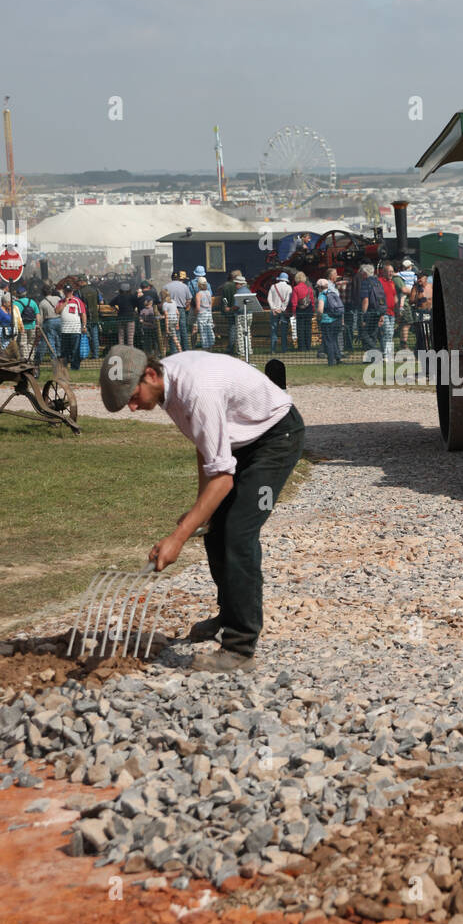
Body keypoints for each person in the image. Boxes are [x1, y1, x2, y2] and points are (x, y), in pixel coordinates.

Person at [99, 347, 306, 670]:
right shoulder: (168, 386)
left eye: (133, 395)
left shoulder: (196, 391)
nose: (133, 405)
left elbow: (222, 479)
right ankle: (230, 614)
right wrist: (201, 509)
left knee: (239, 531)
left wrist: (178, 537)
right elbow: (206, 447)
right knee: (214, 529)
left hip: (277, 440)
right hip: (242, 444)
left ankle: (240, 647)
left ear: (149, 374)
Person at [316, 277, 344, 365]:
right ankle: (338, 358)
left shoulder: (322, 295)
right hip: (337, 320)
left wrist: (319, 317)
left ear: (320, 287)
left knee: (329, 341)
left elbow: (320, 310)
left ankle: (331, 361)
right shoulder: (334, 293)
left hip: (327, 321)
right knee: (334, 339)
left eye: (317, 287)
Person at [57, 285, 86, 368]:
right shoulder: (61, 301)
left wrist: (84, 326)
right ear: (64, 292)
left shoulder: (77, 301)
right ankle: (63, 367)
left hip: (75, 330)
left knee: (75, 350)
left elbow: (83, 314)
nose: (68, 293)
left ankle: (75, 367)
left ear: (72, 292)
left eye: (69, 291)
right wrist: (65, 302)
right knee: (65, 350)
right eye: (66, 291)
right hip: (64, 330)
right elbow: (57, 311)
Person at [358, 262, 385, 351]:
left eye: (361, 273)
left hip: (369, 312)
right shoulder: (378, 282)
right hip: (379, 311)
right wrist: (382, 314)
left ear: (365, 273)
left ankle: (376, 351)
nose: (360, 275)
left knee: (364, 333)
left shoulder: (365, 282)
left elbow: (365, 300)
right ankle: (371, 358)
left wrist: (363, 315)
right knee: (373, 334)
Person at [168, 270, 193, 352]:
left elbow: (162, 301)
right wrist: (186, 306)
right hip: (181, 309)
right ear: (178, 278)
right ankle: (185, 350)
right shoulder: (185, 286)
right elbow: (189, 300)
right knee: (183, 330)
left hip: (170, 310)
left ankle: (174, 351)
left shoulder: (166, 287)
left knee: (173, 331)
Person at [290, 270, 315, 352]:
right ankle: (308, 347)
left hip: (299, 310)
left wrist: (294, 312)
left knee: (300, 329)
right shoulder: (309, 289)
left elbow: (294, 302)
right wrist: (313, 311)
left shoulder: (295, 288)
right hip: (308, 310)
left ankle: (301, 347)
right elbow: (312, 301)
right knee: (308, 329)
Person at [267, 271, 292, 352]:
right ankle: (284, 349)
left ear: (279, 279)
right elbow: (287, 300)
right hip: (283, 313)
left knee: (273, 330)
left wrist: (274, 308)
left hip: (274, 312)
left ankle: (273, 349)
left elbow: (269, 299)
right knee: (284, 332)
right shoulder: (289, 288)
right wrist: (282, 309)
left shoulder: (273, 286)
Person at [14, 285, 40, 362]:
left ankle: (25, 359)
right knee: (31, 343)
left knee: (23, 343)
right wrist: (37, 325)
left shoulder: (16, 303)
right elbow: (37, 315)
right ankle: (31, 358)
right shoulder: (32, 302)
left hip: (22, 327)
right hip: (32, 326)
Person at [79, 276, 102, 359]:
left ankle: (85, 354)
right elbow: (101, 301)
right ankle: (95, 355)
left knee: (85, 336)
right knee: (95, 337)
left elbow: (77, 304)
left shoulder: (79, 292)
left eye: (79, 281)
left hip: (84, 317)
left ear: (82, 282)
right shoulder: (95, 290)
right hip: (95, 317)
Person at [377, 264, 397, 361]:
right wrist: (381, 311)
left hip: (392, 312)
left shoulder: (392, 282)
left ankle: (387, 353)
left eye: (392, 271)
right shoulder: (380, 282)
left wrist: (398, 308)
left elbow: (394, 296)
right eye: (389, 271)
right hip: (384, 312)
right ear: (384, 272)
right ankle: (386, 354)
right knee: (388, 332)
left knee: (390, 333)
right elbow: (379, 297)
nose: (391, 273)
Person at [410, 271, 433, 350]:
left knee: (431, 334)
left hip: (430, 313)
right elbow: (411, 301)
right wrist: (418, 297)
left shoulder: (431, 286)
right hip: (421, 313)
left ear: (425, 278)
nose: (418, 279)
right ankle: (426, 351)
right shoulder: (415, 288)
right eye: (418, 278)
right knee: (424, 335)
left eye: (420, 278)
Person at [114, 280, 139, 347]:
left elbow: (111, 304)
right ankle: (130, 353)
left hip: (120, 318)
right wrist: (133, 308)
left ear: (120, 290)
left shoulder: (118, 297)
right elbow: (137, 303)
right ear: (129, 289)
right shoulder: (132, 296)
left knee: (121, 337)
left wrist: (116, 309)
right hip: (130, 318)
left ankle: (121, 352)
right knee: (130, 339)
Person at [193, 277, 215, 350]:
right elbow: (211, 304)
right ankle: (211, 348)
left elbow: (198, 307)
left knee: (203, 332)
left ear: (199, 285)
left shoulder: (198, 294)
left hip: (202, 314)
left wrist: (195, 313)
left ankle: (205, 349)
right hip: (209, 313)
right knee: (209, 330)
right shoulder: (208, 293)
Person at [161, 288, 182, 354]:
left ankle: (181, 353)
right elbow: (178, 313)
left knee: (175, 338)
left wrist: (167, 328)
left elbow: (167, 316)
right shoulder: (174, 302)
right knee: (165, 339)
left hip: (169, 322)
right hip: (175, 320)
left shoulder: (165, 304)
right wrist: (177, 323)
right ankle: (163, 355)